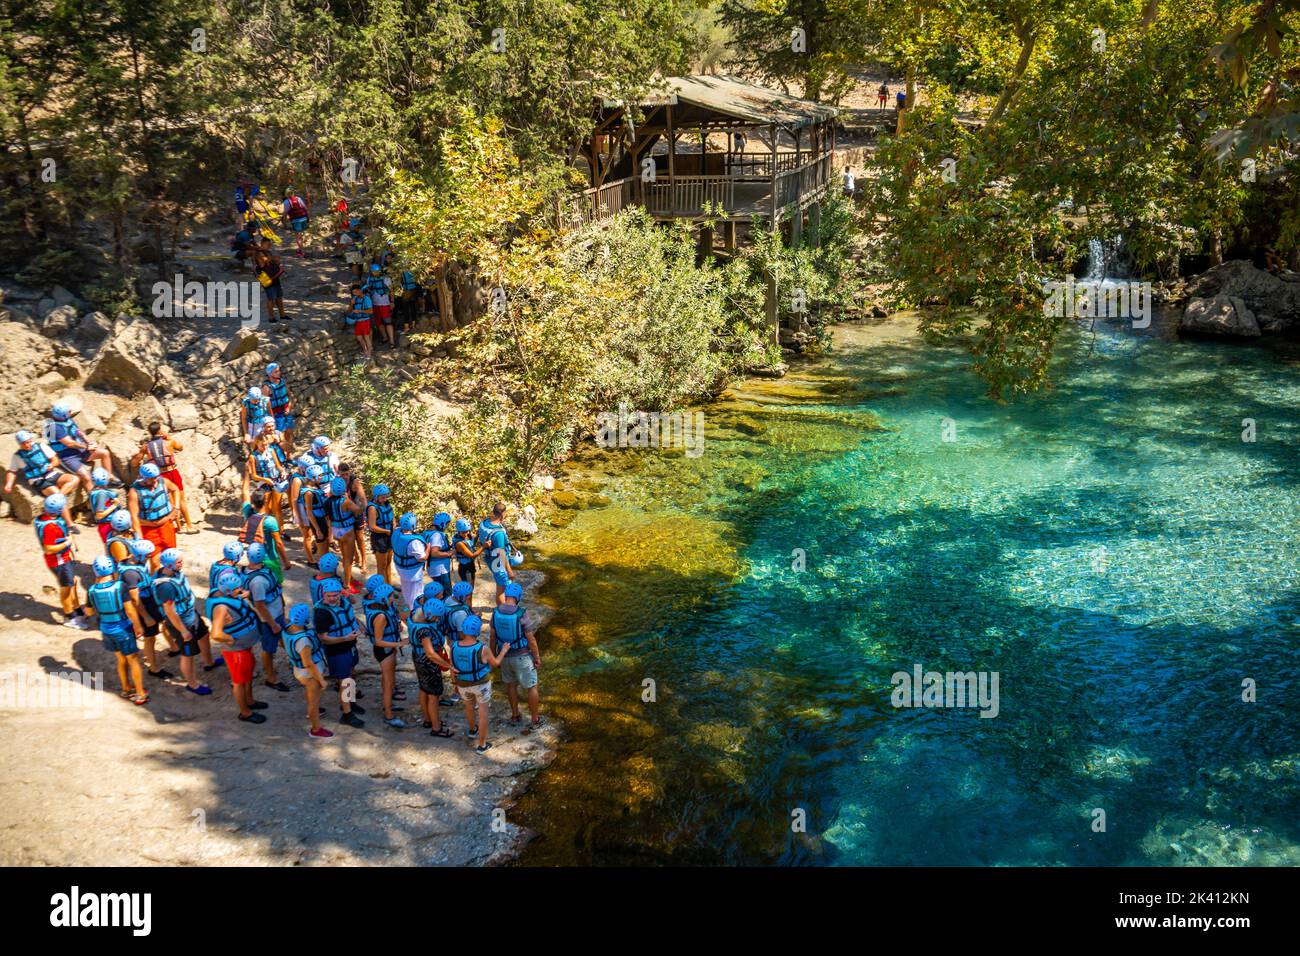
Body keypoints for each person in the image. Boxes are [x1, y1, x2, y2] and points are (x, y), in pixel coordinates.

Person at [206, 568, 268, 723]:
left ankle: (250, 701)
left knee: (248, 674)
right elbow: (215, 634)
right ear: (228, 591)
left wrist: (243, 594)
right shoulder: (221, 608)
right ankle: (245, 713)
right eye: (237, 589)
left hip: (244, 647)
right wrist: (230, 639)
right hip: (236, 651)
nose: (240, 591)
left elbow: (237, 596)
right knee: (239, 681)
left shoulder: (223, 593)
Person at [85, 555, 147, 703]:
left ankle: (126, 689)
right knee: (133, 660)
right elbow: (130, 610)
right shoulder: (120, 587)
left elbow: (89, 612)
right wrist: (138, 626)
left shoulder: (92, 590)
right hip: (123, 628)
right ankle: (140, 693)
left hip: (106, 629)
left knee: (120, 659)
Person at [153, 548, 214, 696]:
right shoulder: (165, 586)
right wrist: (183, 631)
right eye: (179, 562)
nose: (182, 564)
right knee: (188, 655)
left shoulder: (172, 573)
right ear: (169, 565)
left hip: (191, 614)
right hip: (182, 623)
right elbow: (169, 610)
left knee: (204, 635)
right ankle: (192, 684)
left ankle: (209, 663)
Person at [118, 538, 177, 679]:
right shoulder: (130, 574)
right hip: (144, 606)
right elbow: (134, 599)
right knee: (150, 638)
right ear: (140, 555)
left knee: (165, 623)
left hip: (152, 601)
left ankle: (174, 648)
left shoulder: (134, 562)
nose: (150, 558)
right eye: (148, 555)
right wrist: (146, 617)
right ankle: (154, 668)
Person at [450, 614, 508, 754]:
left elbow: (453, 667)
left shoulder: (454, 646)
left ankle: (472, 730)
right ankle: (482, 745)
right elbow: (496, 663)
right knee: (483, 714)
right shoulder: (482, 649)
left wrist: (454, 684)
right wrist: (504, 650)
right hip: (481, 684)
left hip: (462, 684)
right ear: (477, 631)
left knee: (469, 708)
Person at [489, 582, 543, 732]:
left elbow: (492, 637)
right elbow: (531, 639)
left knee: (510, 685)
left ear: (506, 596)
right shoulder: (521, 613)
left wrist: (495, 656)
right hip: (522, 656)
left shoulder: (496, 612)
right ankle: (535, 719)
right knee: (531, 686)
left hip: (504, 655)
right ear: (518, 597)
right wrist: (537, 657)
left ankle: (515, 716)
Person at [313, 577, 365, 728]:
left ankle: (350, 701)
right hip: (337, 650)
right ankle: (347, 714)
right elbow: (323, 638)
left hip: (350, 645)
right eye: (328, 596)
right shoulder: (322, 613)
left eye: (335, 595)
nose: (332, 598)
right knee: (344, 680)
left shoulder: (343, 601)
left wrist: (360, 624)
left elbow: (349, 616)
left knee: (351, 674)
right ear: (324, 595)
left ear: (340, 594)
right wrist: (345, 638)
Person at [35, 494, 89, 628]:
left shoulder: (50, 517)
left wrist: (70, 542)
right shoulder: (50, 526)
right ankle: (69, 617)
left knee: (73, 581)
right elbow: (48, 549)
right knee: (66, 588)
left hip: (63, 558)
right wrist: (67, 544)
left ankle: (76, 609)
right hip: (58, 561)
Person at [132, 422, 197, 533]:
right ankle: (190, 526)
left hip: (159, 475)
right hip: (172, 472)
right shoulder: (169, 442)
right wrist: (169, 437)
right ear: (160, 431)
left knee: (170, 501)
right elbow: (180, 447)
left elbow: (134, 463)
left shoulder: (146, 446)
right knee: (180, 500)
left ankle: (179, 527)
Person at [244, 543, 290, 693]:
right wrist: (272, 624)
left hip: (277, 614)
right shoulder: (258, 581)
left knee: (284, 638)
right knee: (268, 649)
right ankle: (271, 678)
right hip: (269, 619)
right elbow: (260, 605)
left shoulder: (252, 570)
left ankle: (293, 659)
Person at [5, 430, 78, 523]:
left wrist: (52, 465)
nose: (27, 445)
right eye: (23, 443)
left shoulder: (41, 446)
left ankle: (57, 498)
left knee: (74, 479)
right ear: (19, 444)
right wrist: (9, 484)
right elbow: (12, 471)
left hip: (50, 474)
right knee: (58, 498)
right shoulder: (17, 456)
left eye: (28, 442)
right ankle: (70, 524)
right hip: (37, 480)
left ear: (31, 439)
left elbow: (55, 460)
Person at [44, 401, 118, 492]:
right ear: (63, 415)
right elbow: (69, 443)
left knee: (104, 453)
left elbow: (79, 432)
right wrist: (86, 447)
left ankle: (109, 479)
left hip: (78, 450)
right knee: (86, 477)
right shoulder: (53, 428)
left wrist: (89, 442)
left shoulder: (67, 420)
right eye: (68, 411)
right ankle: (93, 498)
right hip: (67, 456)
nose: (70, 412)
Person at [283, 603, 333, 738]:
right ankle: (316, 730)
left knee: (312, 697)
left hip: (299, 670)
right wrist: (322, 680)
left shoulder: (288, 628)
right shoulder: (303, 641)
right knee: (314, 702)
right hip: (309, 674)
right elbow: (308, 663)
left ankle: (313, 713)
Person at [409, 596, 454, 738]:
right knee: (434, 696)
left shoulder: (414, 614)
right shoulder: (425, 632)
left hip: (417, 657)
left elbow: (404, 613)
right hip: (427, 663)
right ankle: (436, 728)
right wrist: (449, 665)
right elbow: (430, 654)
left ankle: (428, 720)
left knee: (424, 689)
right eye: (436, 617)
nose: (437, 620)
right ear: (430, 615)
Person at [365, 582, 407, 728]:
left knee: (387, 680)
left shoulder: (378, 607)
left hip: (389, 650)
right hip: (384, 652)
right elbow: (378, 641)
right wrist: (399, 644)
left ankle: (388, 704)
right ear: (383, 599)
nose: (392, 599)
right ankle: (388, 714)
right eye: (390, 597)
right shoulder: (380, 616)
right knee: (388, 684)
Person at [128, 462, 179, 564]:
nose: (155, 480)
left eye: (156, 477)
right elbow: (134, 517)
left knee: (172, 557)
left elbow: (175, 489)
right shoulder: (134, 492)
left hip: (166, 525)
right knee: (155, 563)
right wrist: (139, 538)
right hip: (148, 529)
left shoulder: (163, 482)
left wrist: (176, 508)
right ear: (143, 478)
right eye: (151, 478)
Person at [240, 487, 292, 583]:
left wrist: (247, 472)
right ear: (266, 500)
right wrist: (286, 561)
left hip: (254, 559)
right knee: (275, 588)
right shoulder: (270, 521)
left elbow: (245, 491)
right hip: (270, 559)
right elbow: (278, 543)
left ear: (252, 501)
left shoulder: (248, 513)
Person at [325, 475, 363, 593]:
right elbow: (358, 510)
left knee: (344, 556)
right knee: (348, 560)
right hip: (347, 531)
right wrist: (351, 500)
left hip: (336, 530)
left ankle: (349, 578)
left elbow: (328, 518)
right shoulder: (345, 502)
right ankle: (346, 585)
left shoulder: (327, 501)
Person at [244, 430, 289, 523]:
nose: (265, 447)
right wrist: (265, 480)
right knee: (266, 509)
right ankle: (266, 530)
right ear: (257, 443)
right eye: (262, 445)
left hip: (276, 481)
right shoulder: (253, 456)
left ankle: (281, 532)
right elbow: (254, 476)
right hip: (263, 484)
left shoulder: (271, 451)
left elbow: (278, 466)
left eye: (266, 444)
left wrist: (282, 471)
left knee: (277, 508)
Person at [477, 502, 517, 604]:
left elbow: (479, 536)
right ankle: (502, 613)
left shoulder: (484, 522)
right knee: (501, 589)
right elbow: (501, 553)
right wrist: (509, 571)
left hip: (489, 557)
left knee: (501, 584)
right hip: (497, 563)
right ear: (503, 514)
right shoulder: (498, 533)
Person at [392, 511, 427, 611]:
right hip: (412, 572)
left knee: (406, 589)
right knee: (416, 594)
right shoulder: (414, 542)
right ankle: (414, 611)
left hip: (400, 568)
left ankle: (408, 606)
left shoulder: (396, 532)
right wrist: (428, 548)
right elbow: (422, 557)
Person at [338, 462, 368, 575]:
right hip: (345, 514)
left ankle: (364, 561)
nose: (345, 477)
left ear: (349, 472)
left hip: (356, 512)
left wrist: (366, 513)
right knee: (350, 538)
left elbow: (363, 498)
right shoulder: (337, 483)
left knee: (360, 538)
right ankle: (356, 557)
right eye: (342, 475)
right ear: (338, 474)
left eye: (346, 474)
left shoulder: (355, 483)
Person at [366, 484, 395, 586]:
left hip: (389, 536)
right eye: (382, 497)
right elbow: (372, 527)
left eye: (385, 497)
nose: (384, 499)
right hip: (379, 538)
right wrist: (386, 531)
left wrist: (393, 530)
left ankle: (389, 585)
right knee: (381, 565)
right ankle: (381, 587)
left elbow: (392, 518)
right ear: (376, 496)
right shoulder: (372, 508)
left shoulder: (387, 504)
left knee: (388, 563)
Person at [263, 362, 295, 450]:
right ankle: (282, 457)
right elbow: (264, 405)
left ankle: (289, 456)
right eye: (276, 372)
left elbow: (290, 396)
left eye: (279, 371)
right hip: (276, 416)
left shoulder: (283, 382)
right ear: (270, 374)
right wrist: (271, 418)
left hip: (286, 412)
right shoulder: (266, 388)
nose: (279, 373)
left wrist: (289, 407)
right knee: (280, 437)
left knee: (289, 433)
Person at [302, 464, 329, 564]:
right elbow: (309, 512)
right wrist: (317, 530)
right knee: (322, 550)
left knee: (326, 548)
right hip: (317, 521)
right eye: (320, 475)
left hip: (322, 519)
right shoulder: (308, 493)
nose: (322, 477)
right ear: (313, 477)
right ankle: (325, 570)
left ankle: (330, 570)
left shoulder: (316, 486)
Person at [87, 468, 122, 546]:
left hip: (107, 526)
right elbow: (99, 515)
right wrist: (114, 505)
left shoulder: (95, 492)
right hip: (108, 526)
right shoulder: (101, 494)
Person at [364, 263, 395, 348]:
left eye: (377, 271)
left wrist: (392, 302)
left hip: (385, 303)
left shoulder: (386, 279)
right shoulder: (369, 279)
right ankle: (385, 337)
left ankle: (392, 341)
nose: (376, 273)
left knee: (388, 322)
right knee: (378, 322)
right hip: (374, 304)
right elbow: (368, 291)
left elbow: (391, 291)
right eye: (374, 271)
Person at [254, 244, 287, 323]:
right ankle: (271, 317)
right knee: (270, 299)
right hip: (268, 279)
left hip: (275, 279)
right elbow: (266, 260)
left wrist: (275, 260)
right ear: (263, 243)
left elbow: (273, 260)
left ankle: (282, 315)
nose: (269, 246)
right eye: (267, 244)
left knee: (279, 297)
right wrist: (274, 259)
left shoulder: (267, 252)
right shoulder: (260, 253)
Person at [424, 512, 454, 597]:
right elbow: (434, 553)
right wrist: (449, 553)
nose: (448, 526)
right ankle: (445, 609)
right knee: (445, 593)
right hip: (439, 569)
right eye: (447, 524)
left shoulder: (429, 532)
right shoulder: (437, 535)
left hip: (435, 568)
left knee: (440, 591)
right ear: (443, 524)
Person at [345, 282, 373, 361]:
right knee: (359, 337)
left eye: (356, 292)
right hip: (357, 321)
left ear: (360, 290)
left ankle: (369, 353)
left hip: (365, 321)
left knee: (366, 337)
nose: (355, 294)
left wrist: (360, 311)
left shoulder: (366, 299)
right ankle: (365, 351)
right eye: (353, 293)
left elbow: (371, 311)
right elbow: (349, 311)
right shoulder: (354, 299)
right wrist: (351, 304)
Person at [452, 517, 482, 586]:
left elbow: (471, 544)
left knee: (471, 585)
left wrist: (477, 535)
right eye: (463, 532)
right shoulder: (459, 543)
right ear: (458, 531)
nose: (466, 533)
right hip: (465, 567)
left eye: (467, 531)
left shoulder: (467, 536)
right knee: (468, 587)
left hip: (470, 565)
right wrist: (484, 547)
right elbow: (472, 555)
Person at [281, 190, 310, 258]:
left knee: (297, 237)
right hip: (304, 218)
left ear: (286, 195)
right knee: (300, 235)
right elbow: (305, 208)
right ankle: (300, 249)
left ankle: (302, 252)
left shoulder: (286, 201)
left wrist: (284, 222)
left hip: (296, 221)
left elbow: (285, 213)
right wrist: (308, 218)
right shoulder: (298, 198)